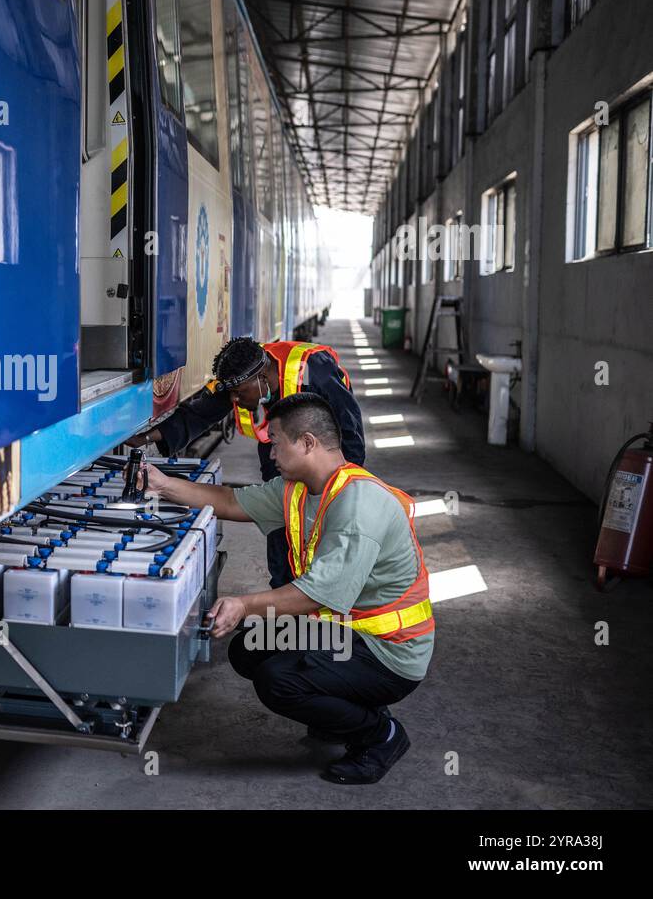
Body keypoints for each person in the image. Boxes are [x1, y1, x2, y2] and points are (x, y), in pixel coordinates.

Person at [136, 392, 433, 785]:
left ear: (307, 442)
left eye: (275, 442)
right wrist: (161, 484)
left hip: (389, 650)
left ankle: (380, 735)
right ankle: (344, 707)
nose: (270, 453)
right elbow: (229, 501)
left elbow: (316, 595)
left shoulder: (358, 506)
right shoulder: (298, 487)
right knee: (247, 649)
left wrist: (243, 604)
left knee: (278, 681)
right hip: (346, 628)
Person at [129, 336, 364, 588]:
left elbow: (350, 431)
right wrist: (145, 437)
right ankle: (283, 596)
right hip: (281, 457)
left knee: (321, 535)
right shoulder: (243, 373)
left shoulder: (315, 371)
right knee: (280, 525)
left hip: (323, 465)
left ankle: (316, 596)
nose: (235, 400)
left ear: (263, 378)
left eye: (240, 394)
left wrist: (340, 489)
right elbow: (200, 413)